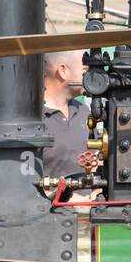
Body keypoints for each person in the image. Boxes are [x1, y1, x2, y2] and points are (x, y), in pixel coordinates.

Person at [41, 49, 89, 180]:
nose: (90, 75)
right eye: (85, 70)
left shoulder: (84, 112)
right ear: (63, 70)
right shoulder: (32, 119)